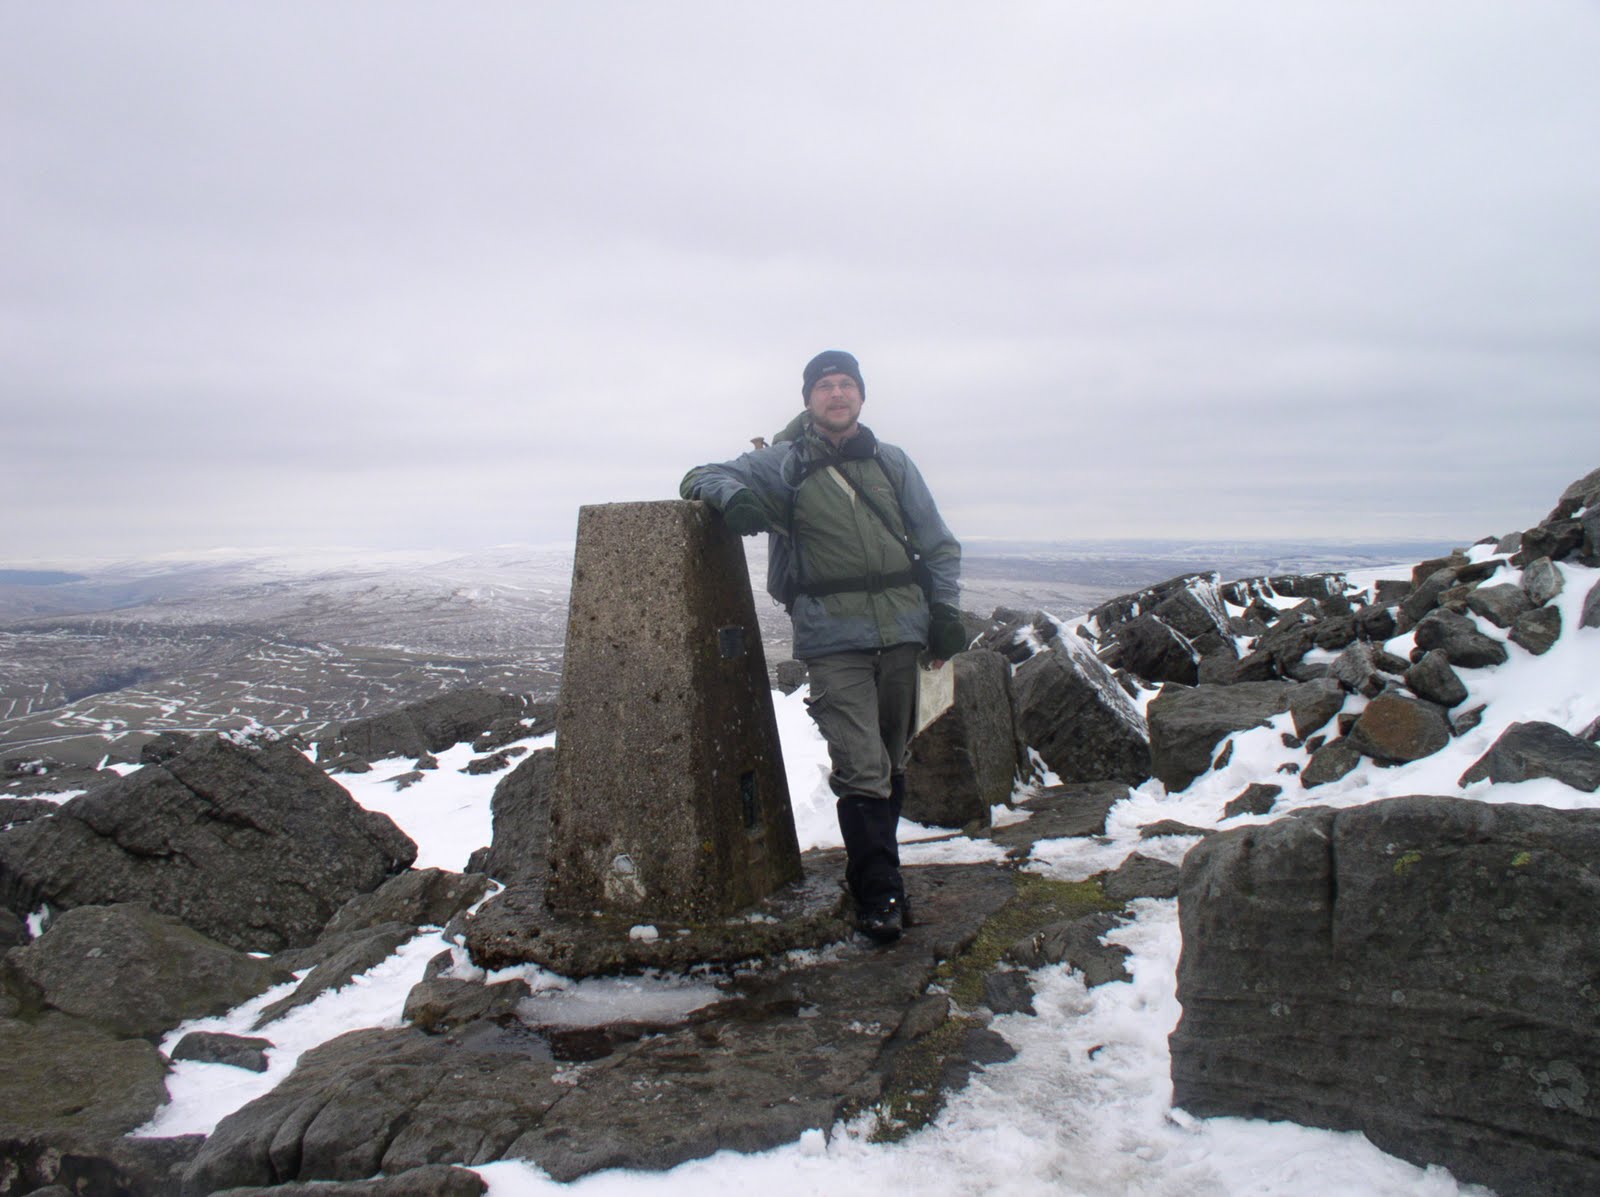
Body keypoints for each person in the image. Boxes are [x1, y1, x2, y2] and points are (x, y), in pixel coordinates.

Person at [680, 349, 964, 943]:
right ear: (809, 399)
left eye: (847, 385)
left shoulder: (893, 463)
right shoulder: (786, 463)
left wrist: (943, 611)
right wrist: (734, 498)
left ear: (861, 396)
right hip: (834, 638)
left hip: (904, 631)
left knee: (891, 760)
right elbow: (700, 475)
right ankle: (879, 894)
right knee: (862, 766)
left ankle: (881, 878)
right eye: (825, 386)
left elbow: (938, 544)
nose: (837, 394)